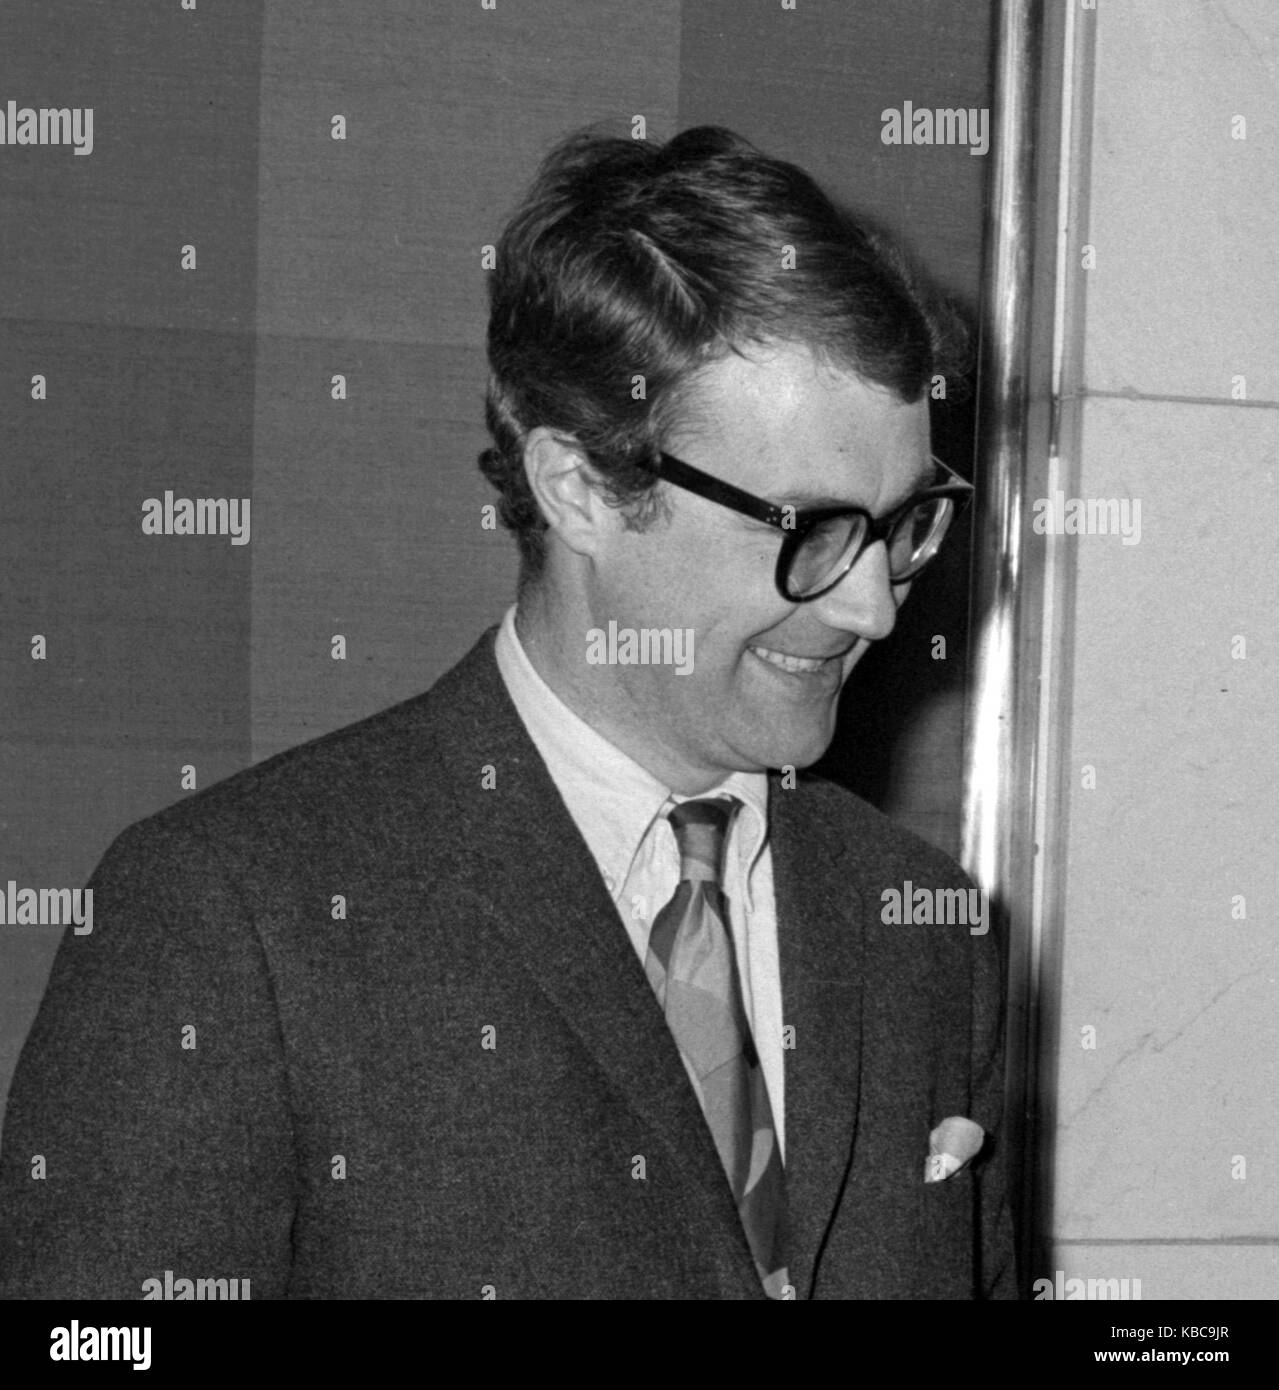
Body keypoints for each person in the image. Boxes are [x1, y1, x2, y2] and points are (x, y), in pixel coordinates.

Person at [0, 124, 1014, 1299]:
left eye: (901, 526)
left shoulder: (926, 938)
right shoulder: (234, 921)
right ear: (577, 486)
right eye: (815, 534)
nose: (877, 607)